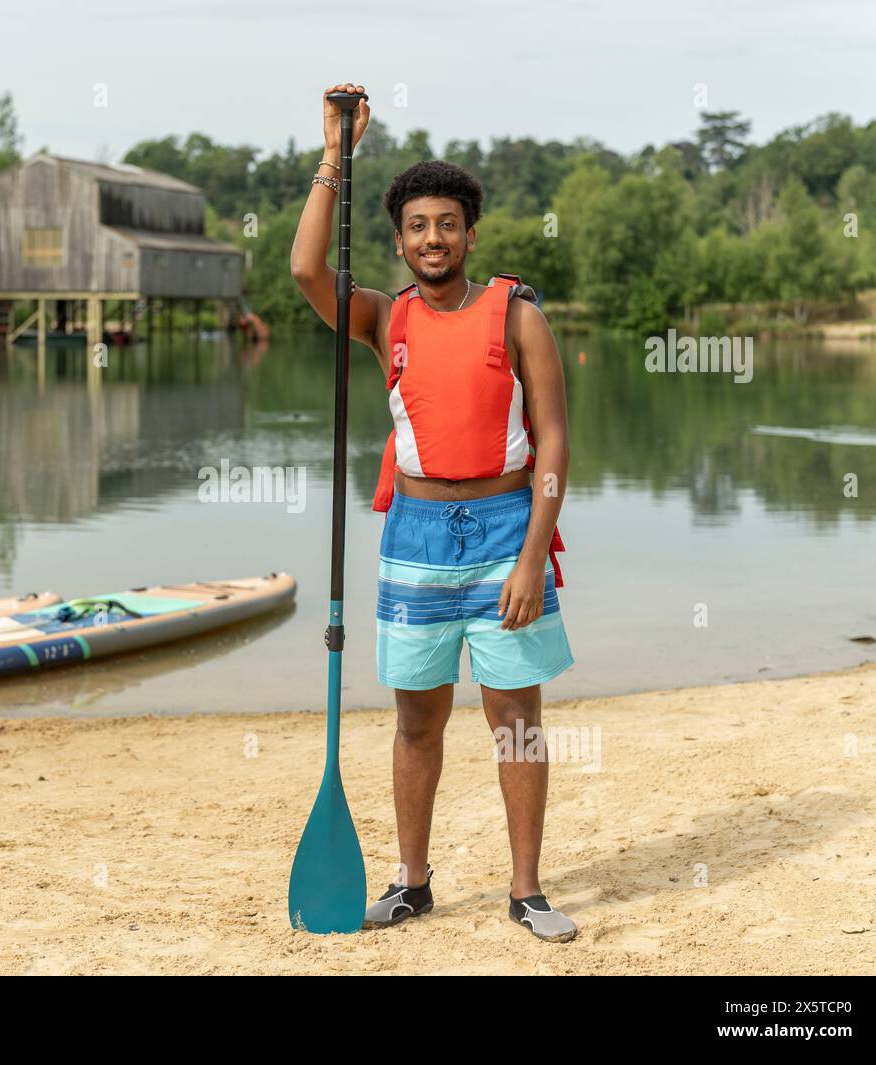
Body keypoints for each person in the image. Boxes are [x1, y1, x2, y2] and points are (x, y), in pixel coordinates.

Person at [290, 83, 577, 943]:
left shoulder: (517, 313)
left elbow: (555, 444)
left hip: (502, 534)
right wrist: (336, 155)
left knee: (515, 718)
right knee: (417, 717)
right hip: (413, 538)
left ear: (470, 233)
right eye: (416, 226)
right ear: (400, 240)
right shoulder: (384, 317)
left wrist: (531, 558)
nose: (432, 239)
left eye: (447, 223)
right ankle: (412, 882)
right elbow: (305, 269)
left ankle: (526, 888)